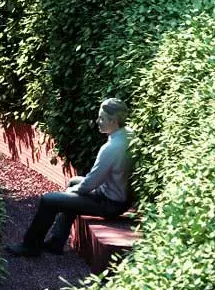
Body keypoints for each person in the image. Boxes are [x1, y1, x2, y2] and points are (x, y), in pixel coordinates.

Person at [7, 97, 131, 258]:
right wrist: (75, 188)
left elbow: (91, 183)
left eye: (101, 118)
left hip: (110, 203)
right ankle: (56, 242)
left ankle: (30, 247)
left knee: (48, 199)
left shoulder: (111, 148)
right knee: (74, 180)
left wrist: (73, 191)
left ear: (113, 121)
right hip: (120, 198)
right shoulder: (128, 135)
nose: (97, 121)